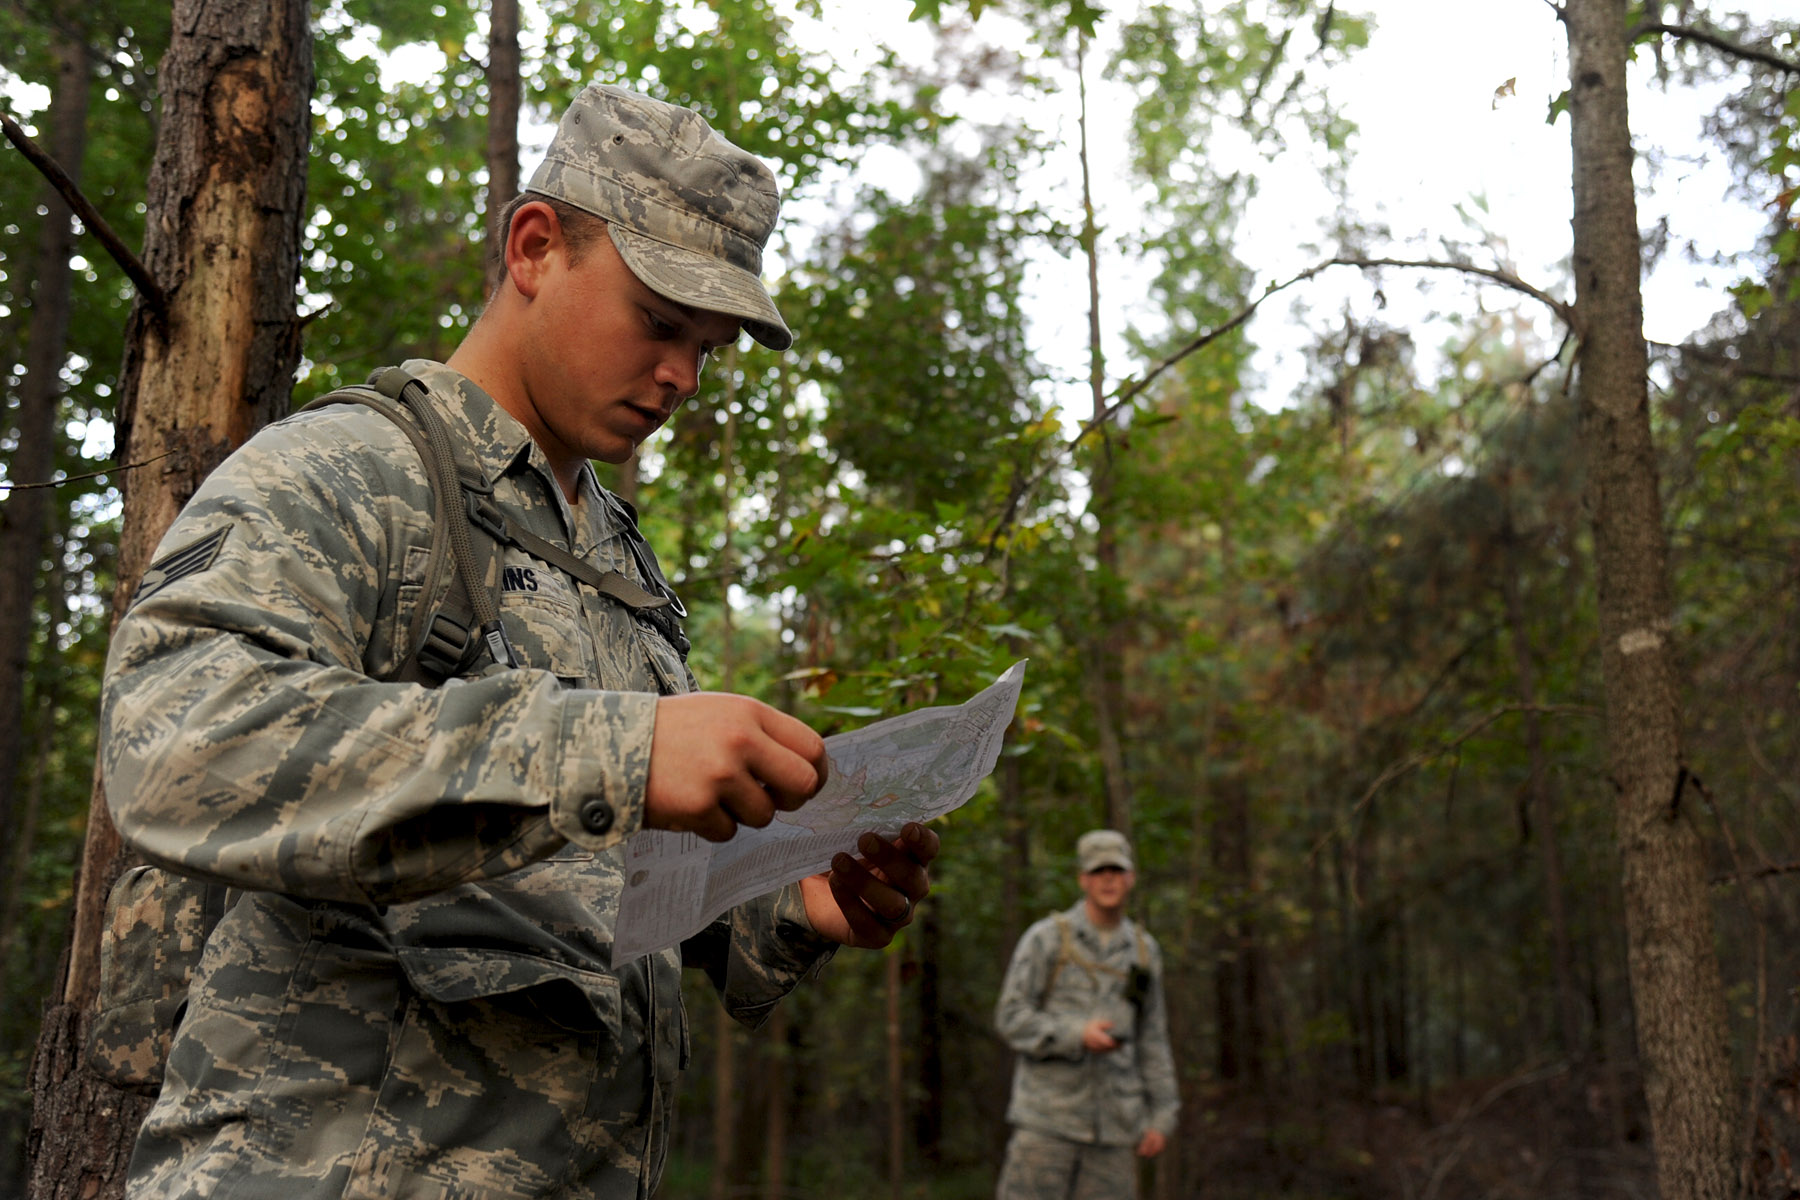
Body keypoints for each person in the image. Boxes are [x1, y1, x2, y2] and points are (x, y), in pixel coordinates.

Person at [97, 83, 935, 1199]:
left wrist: (785, 903)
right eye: (659, 323)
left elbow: (593, 879)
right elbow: (175, 747)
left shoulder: (618, 561)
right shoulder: (358, 471)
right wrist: (615, 751)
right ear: (536, 247)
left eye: (710, 346)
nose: (683, 376)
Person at [993, 829, 1179, 1199]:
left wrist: (1162, 1113)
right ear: (1083, 879)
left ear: (1131, 878)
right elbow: (1011, 1017)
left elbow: (1152, 1036)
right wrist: (1076, 1034)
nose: (1108, 878)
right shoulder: (1047, 939)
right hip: (1047, 1124)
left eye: (1116, 869)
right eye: (1098, 870)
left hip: (1115, 1129)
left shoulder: (1143, 952)